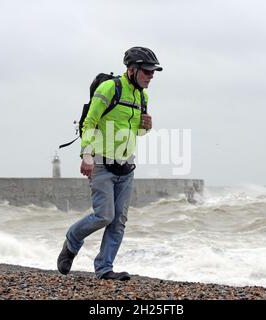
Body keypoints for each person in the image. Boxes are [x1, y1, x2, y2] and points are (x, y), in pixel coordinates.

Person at [57, 47, 163, 281]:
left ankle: (104, 269)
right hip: (101, 164)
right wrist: (86, 155)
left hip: (126, 167)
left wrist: (146, 127)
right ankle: (72, 240)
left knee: (118, 221)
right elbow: (90, 122)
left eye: (153, 72)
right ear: (132, 69)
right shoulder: (109, 89)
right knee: (104, 215)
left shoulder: (143, 97)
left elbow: (134, 131)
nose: (151, 76)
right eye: (147, 71)